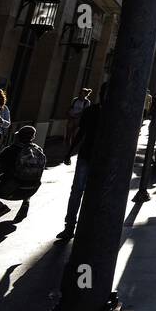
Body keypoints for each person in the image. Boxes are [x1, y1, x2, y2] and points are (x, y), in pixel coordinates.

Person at [0, 125, 46, 224]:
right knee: (28, 177)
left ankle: (0, 207)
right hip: (31, 190)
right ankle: (26, 203)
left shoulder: (9, 150)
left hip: (11, 190)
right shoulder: (38, 150)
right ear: (32, 137)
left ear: (18, 136)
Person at [58, 91, 103, 240]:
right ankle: (70, 225)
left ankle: (80, 226)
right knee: (77, 191)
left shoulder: (110, 112)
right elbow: (81, 132)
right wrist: (69, 152)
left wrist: (69, 152)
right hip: (88, 155)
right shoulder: (91, 111)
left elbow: (81, 132)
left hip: (99, 158)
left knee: (82, 191)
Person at [63, 88, 91, 165]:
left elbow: (85, 111)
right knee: (68, 134)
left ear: (85, 94)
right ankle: (67, 149)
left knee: (74, 135)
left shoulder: (86, 102)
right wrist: (68, 112)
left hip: (78, 120)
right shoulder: (75, 100)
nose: (80, 95)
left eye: (82, 93)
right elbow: (71, 107)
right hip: (71, 118)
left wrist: (78, 115)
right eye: (80, 93)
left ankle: (70, 151)